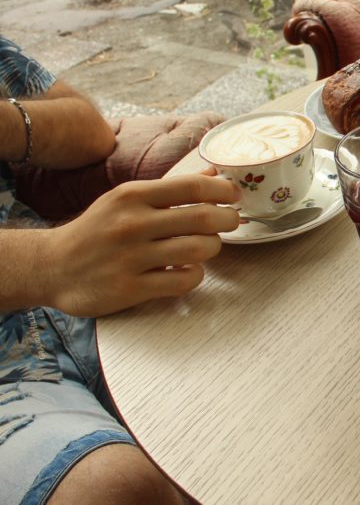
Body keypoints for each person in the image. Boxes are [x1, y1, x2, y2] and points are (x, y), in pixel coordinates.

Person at [0, 36, 241, 504]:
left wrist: (5, 122)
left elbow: (92, 133)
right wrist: (46, 263)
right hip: (22, 360)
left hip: (79, 303)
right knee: (115, 491)